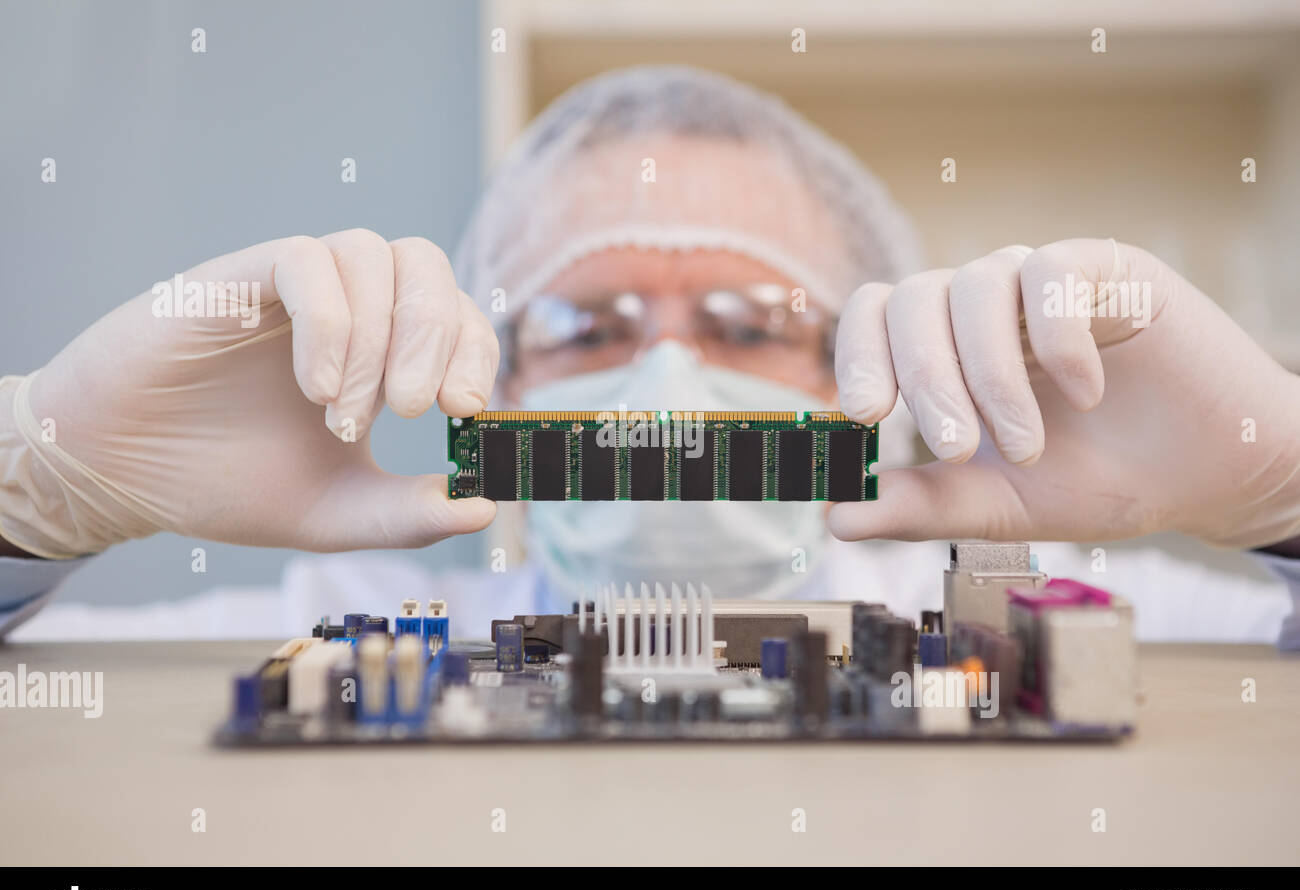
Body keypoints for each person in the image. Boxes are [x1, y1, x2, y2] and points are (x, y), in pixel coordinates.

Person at [2, 66, 1298, 644]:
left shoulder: (1056, 623)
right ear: (493, 380)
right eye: (589, 328)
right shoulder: (337, 638)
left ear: (874, 375)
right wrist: (35, 492)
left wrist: (1284, 489)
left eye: (747, 326)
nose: (667, 383)